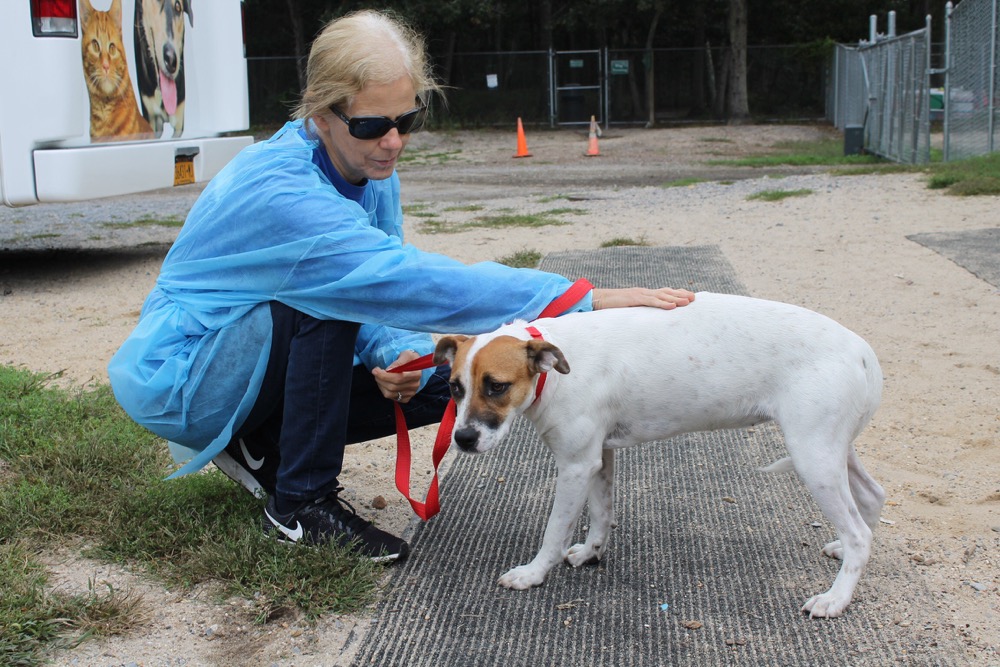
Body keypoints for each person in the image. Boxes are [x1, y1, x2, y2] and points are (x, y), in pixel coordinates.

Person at [107, 9, 694, 564]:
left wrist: (392, 353)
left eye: (405, 120)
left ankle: (263, 441)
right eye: (371, 124)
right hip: (183, 375)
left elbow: (378, 286)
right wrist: (576, 299)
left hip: (255, 356)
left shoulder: (362, 164)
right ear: (319, 114)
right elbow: (398, 279)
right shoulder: (282, 191)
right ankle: (298, 507)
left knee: (448, 385)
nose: (393, 141)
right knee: (323, 299)